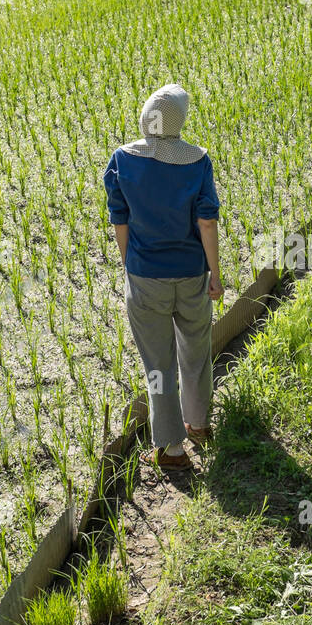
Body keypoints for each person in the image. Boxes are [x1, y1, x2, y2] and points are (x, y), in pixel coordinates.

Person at [103, 84, 223, 471]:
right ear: (180, 121)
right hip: (191, 275)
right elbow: (207, 221)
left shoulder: (122, 159)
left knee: (157, 365)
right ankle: (200, 425)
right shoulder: (198, 161)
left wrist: (131, 267)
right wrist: (215, 276)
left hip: (145, 279)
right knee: (196, 353)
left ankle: (171, 449)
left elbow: (119, 220)